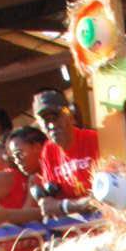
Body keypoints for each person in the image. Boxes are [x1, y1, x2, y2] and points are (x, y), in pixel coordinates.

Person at [32, 88, 99, 219]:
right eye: (44, 120)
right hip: (77, 228)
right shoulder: (48, 151)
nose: (51, 125)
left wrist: (63, 206)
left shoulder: (94, 140)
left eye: (55, 117)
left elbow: (107, 197)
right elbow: (51, 203)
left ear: (69, 115)